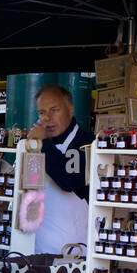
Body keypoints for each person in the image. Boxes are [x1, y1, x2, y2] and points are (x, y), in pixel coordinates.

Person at [26, 84, 94, 255]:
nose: (47, 117)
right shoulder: (36, 146)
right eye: (42, 112)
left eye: (54, 110)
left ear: (70, 110)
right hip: (37, 252)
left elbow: (68, 180)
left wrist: (44, 145)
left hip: (77, 255)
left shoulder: (87, 143)